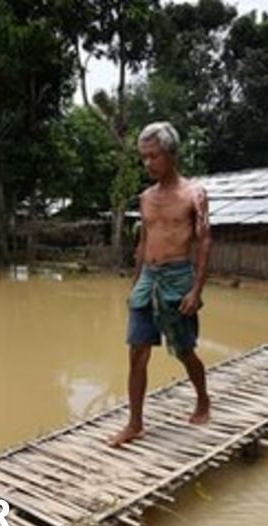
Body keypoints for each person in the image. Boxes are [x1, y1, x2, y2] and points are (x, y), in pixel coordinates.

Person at [108, 121, 212, 448]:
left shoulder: (194, 194)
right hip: (148, 280)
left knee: (184, 351)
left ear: (170, 154)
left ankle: (203, 399)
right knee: (136, 352)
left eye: (153, 156)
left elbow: (205, 241)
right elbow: (143, 242)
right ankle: (135, 423)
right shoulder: (146, 198)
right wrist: (135, 284)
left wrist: (196, 290)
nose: (147, 163)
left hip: (178, 278)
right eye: (143, 157)